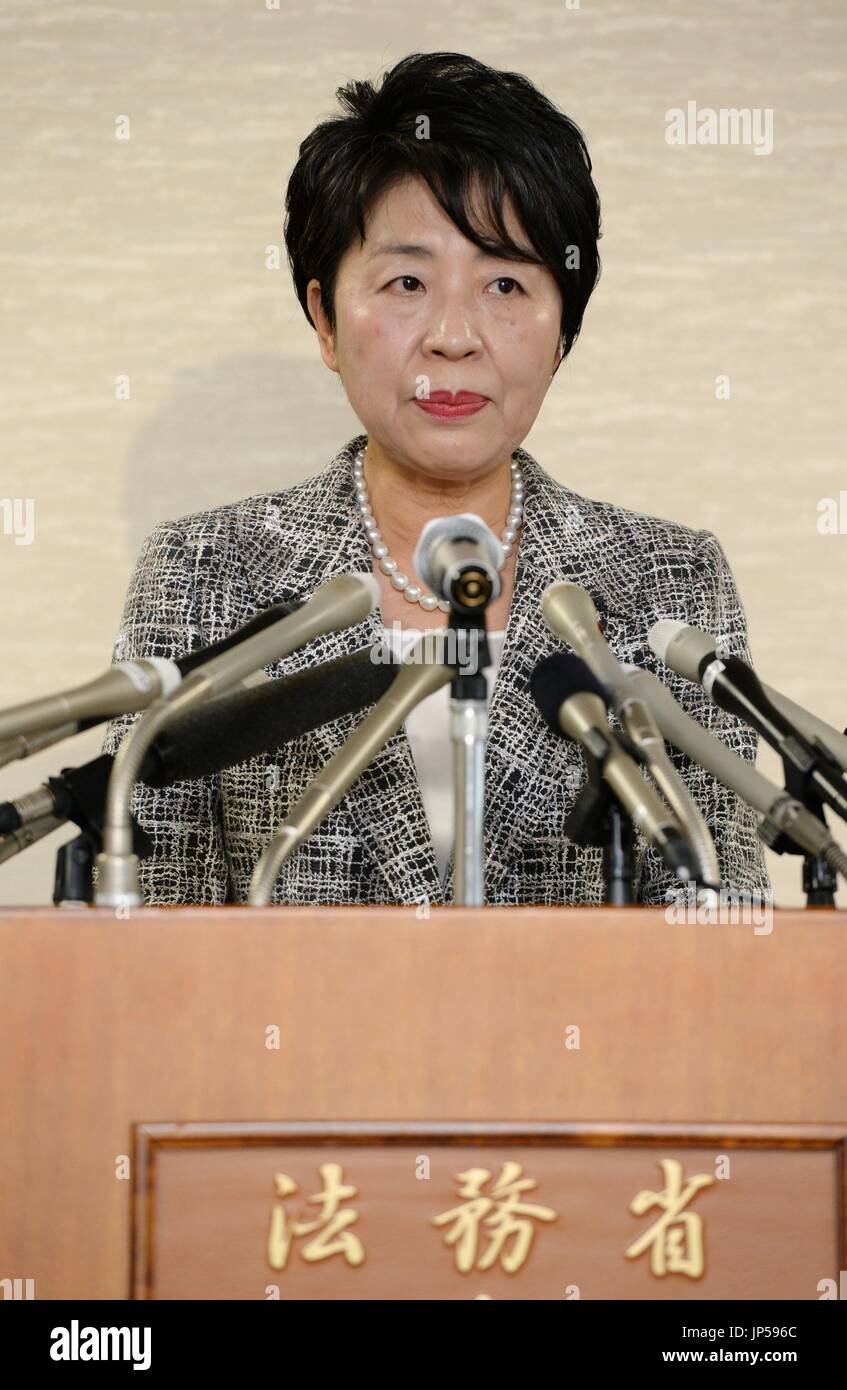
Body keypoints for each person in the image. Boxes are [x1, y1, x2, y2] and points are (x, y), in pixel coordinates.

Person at [100, 51, 771, 908]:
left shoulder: (666, 582)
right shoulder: (206, 573)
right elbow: (148, 923)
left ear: (561, 329)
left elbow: (719, 923)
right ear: (325, 318)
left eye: (504, 283)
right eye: (407, 281)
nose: (454, 336)